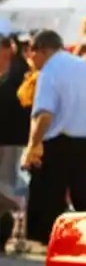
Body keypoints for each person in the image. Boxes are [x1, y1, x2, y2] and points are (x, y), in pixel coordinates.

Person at [21, 30, 86, 247]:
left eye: (33, 52)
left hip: (57, 140)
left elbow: (45, 114)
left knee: (47, 192)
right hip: (84, 139)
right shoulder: (84, 67)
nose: (31, 58)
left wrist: (33, 145)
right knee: (83, 190)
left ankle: (44, 238)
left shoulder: (49, 71)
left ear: (44, 50)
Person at [0, 34, 31, 252]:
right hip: (7, 137)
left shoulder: (20, 73)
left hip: (13, 139)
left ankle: (20, 219)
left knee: (8, 187)